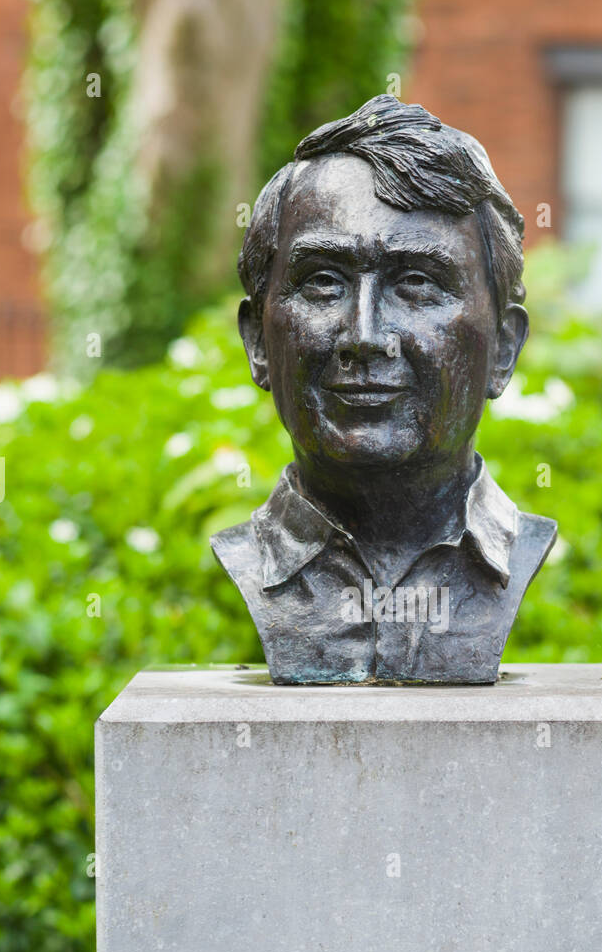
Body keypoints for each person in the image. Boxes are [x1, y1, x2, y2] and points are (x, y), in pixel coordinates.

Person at [211, 95, 556, 683]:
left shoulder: (523, 551)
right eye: (323, 282)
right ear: (258, 342)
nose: (364, 336)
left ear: (502, 347)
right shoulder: (244, 559)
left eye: (417, 283)